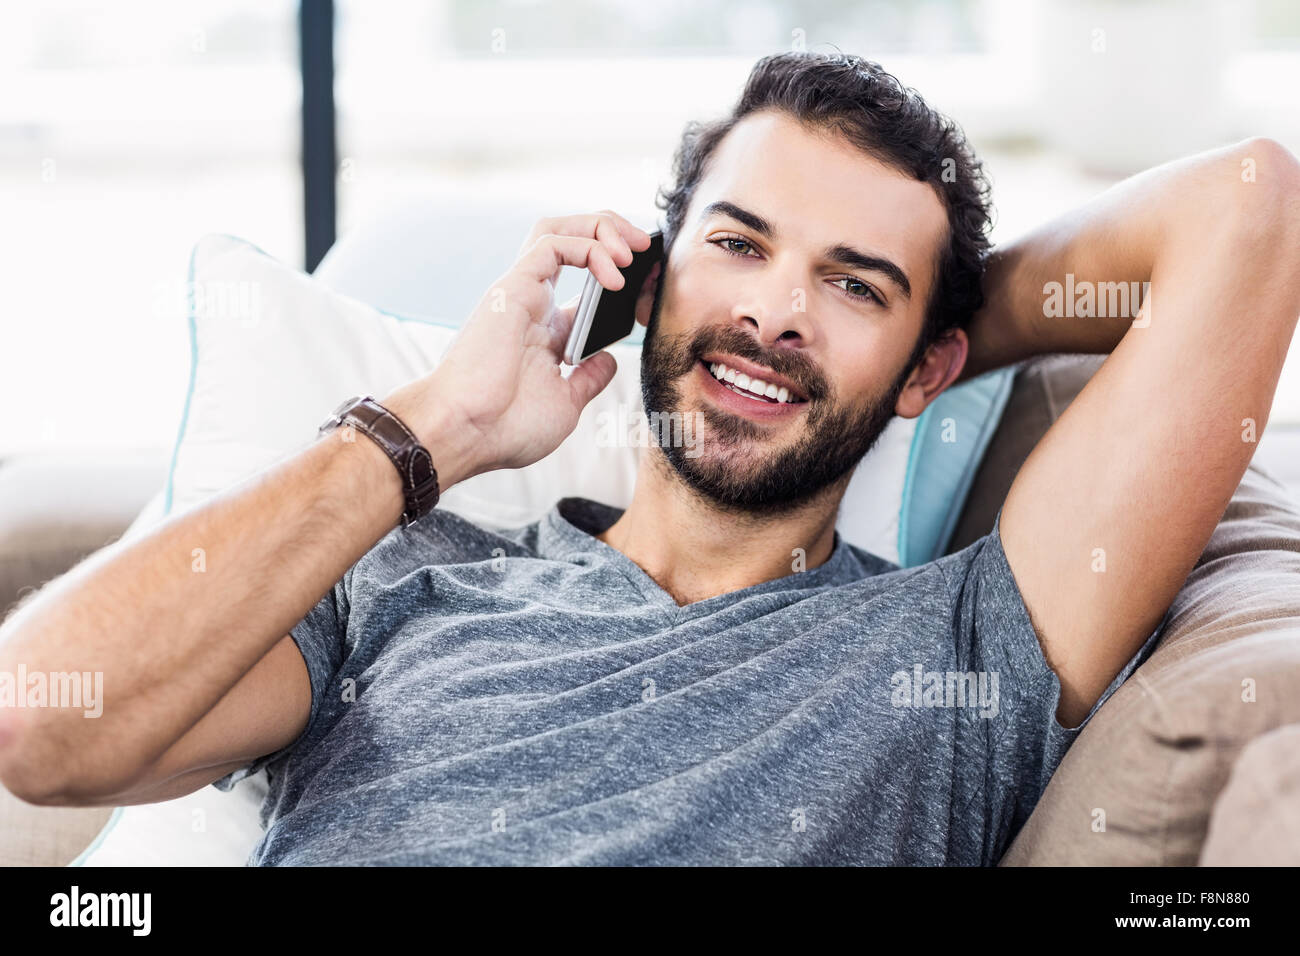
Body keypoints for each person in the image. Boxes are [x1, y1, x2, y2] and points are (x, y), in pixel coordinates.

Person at [2, 51, 1298, 866]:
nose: (775, 311)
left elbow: (1251, 206)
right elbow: (45, 729)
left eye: (851, 283)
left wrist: (934, 321)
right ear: (654, 280)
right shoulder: (399, 582)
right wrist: (434, 427)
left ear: (930, 369)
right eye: (736, 246)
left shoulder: (961, 648)